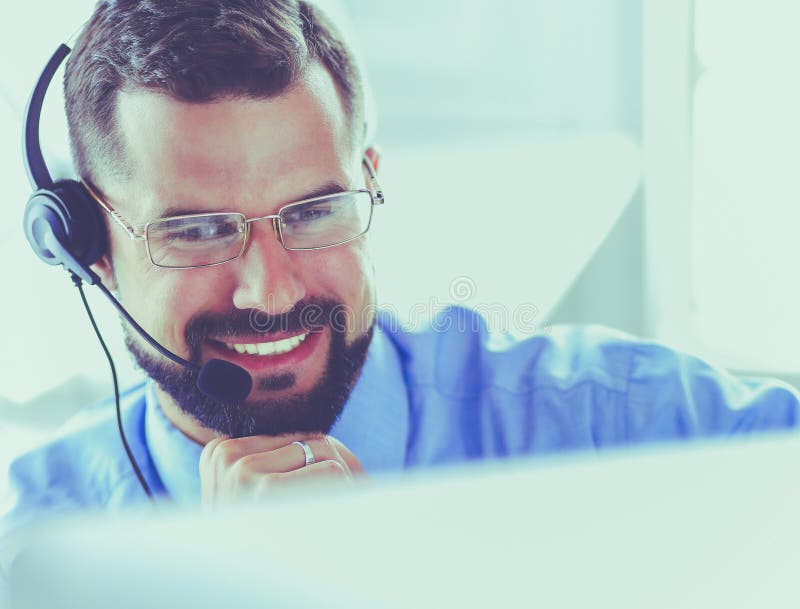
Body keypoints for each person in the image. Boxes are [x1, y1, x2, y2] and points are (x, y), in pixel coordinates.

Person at [4, 0, 800, 538]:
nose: (272, 289)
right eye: (200, 231)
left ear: (370, 182)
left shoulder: (612, 423)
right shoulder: (35, 539)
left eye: (315, 213)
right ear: (89, 250)